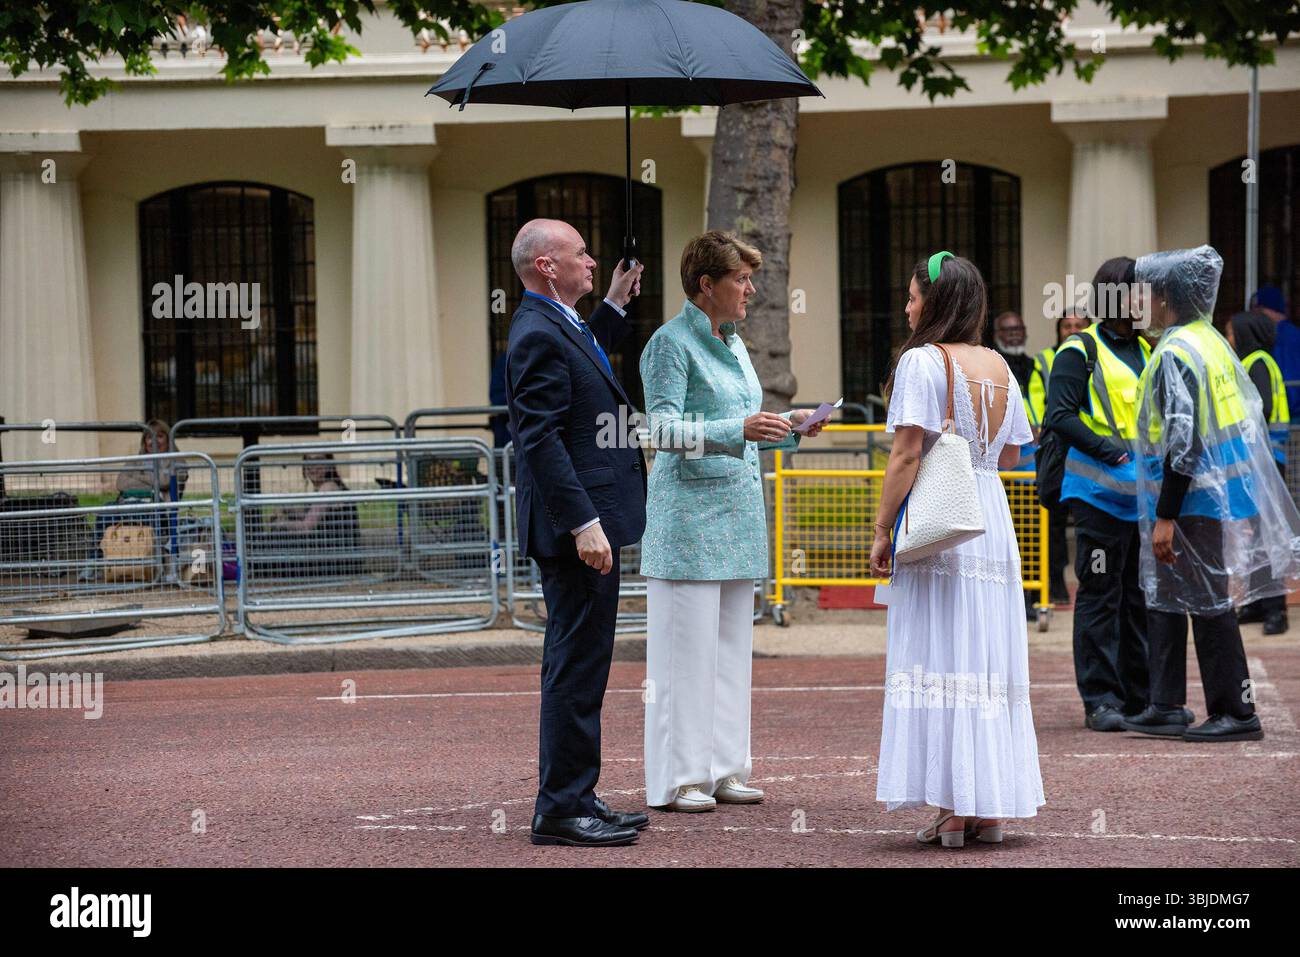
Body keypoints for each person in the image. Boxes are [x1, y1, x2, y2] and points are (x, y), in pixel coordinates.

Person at [638, 231, 824, 813]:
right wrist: (736, 430)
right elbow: (659, 431)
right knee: (684, 656)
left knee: (729, 651)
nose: (750, 290)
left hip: (736, 517)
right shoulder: (668, 344)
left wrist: (786, 426)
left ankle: (724, 768)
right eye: (740, 280)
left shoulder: (736, 344)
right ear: (706, 286)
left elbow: (742, 429)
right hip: (687, 523)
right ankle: (679, 778)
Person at [870, 252, 1045, 848]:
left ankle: (950, 805)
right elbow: (1016, 454)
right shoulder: (1000, 364)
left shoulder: (922, 360)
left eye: (915, 295)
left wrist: (881, 530)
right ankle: (987, 806)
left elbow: (906, 452)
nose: (908, 305)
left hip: (942, 519)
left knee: (940, 652)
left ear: (936, 302)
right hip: (989, 514)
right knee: (986, 655)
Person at [503, 217, 649, 846]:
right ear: (546, 266)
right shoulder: (536, 331)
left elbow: (589, 360)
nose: (592, 261)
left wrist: (614, 301)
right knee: (575, 665)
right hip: (577, 528)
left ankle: (575, 794)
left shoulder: (558, 321)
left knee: (584, 663)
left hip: (586, 522)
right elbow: (538, 438)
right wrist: (585, 523)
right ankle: (561, 808)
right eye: (581, 254)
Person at [1130, 244, 1298, 742]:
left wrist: (1166, 514)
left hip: (1196, 497)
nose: (1141, 302)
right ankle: (1166, 703)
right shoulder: (1206, 340)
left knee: (1207, 602)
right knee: (1169, 593)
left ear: (1166, 297)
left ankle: (1237, 712)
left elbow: (1184, 440)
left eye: (1147, 293)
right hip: (1206, 493)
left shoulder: (1179, 351)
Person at [1045, 257, 1154, 733]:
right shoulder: (1079, 350)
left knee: (1138, 597)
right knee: (1100, 596)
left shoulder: (1149, 351)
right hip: (1097, 497)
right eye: (1137, 292)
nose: (1145, 301)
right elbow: (1060, 416)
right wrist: (1109, 452)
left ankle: (1139, 697)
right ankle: (1102, 699)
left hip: (1142, 502)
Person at [1227, 310, 1290, 634]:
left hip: (1265, 460)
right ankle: (1254, 601)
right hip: (1257, 460)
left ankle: (1275, 610)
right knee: (1255, 532)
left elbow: (1260, 407)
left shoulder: (1258, 363)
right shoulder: (1253, 363)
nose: (1228, 340)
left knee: (1267, 534)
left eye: (1231, 334)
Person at [1028, 308, 1087, 604]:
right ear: (1058, 330)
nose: (1073, 330)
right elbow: (1037, 400)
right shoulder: (1044, 360)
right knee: (1054, 519)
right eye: (1067, 326)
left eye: (1079, 325)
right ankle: (1055, 581)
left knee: (1089, 518)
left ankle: (1088, 578)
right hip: (1058, 448)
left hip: (1089, 449)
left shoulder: (1097, 354)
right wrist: (1042, 427)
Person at [991, 310, 1035, 395]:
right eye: (1008, 329)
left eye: (1018, 329)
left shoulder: (1034, 365)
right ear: (996, 334)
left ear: (1025, 333)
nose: (1014, 333)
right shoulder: (992, 366)